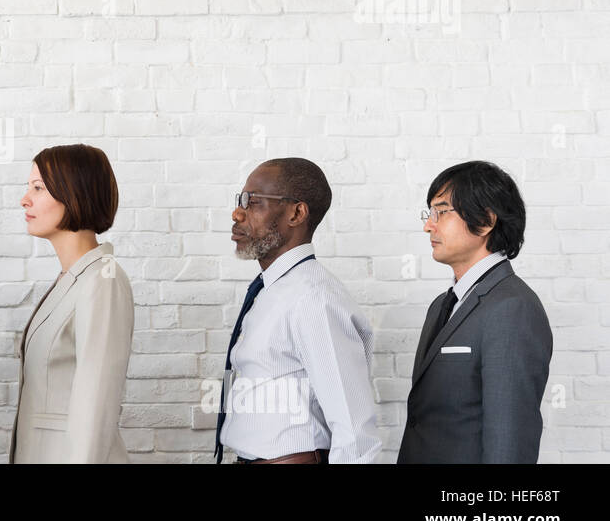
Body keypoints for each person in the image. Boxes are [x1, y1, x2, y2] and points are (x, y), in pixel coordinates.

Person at [215, 158, 380, 464]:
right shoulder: (275, 289)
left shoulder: (313, 299)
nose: (237, 212)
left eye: (254, 202)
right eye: (241, 200)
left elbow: (354, 429)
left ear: (296, 213)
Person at [398, 161, 552, 463]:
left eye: (441, 212)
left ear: (484, 221)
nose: (428, 225)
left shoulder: (512, 308)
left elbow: (509, 440)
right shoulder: (441, 306)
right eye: (429, 213)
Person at [12, 144, 134, 463]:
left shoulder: (102, 280)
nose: (25, 199)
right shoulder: (70, 280)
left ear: (74, 192)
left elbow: (96, 408)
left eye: (38, 188)